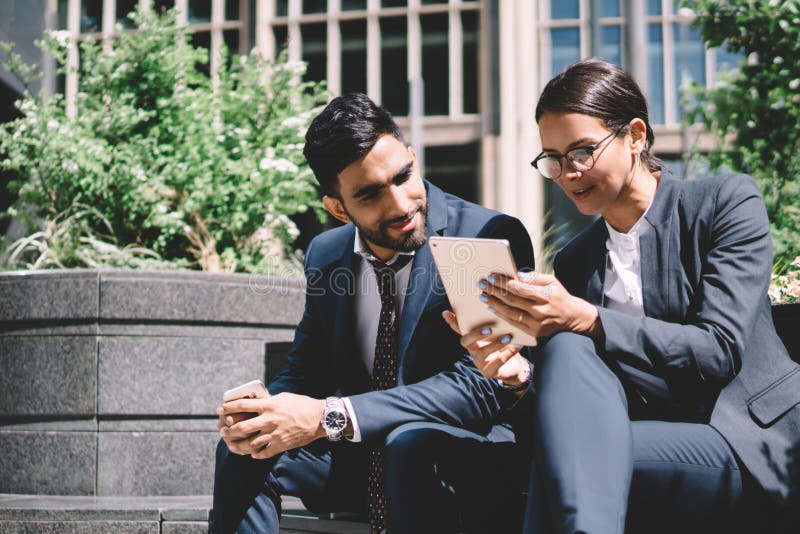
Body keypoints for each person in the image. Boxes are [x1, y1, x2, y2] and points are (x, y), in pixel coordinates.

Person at [444, 58, 800, 533]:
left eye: (582, 151)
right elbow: (580, 398)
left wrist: (589, 318)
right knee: (568, 361)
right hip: (635, 436)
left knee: (572, 451)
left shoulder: (723, 203)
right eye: (553, 159)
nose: (568, 173)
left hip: (747, 441)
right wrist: (518, 378)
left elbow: (719, 351)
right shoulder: (577, 260)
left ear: (635, 135)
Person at [212, 93, 535, 534]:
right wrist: (263, 412)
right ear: (337, 208)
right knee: (247, 446)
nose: (400, 204)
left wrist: (331, 416)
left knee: (409, 444)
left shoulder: (479, 238)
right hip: (363, 460)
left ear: (413, 158)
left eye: (403, 177)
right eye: (370, 195)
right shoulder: (326, 254)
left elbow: (482, 386)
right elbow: (306, 371)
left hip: (460, 456)